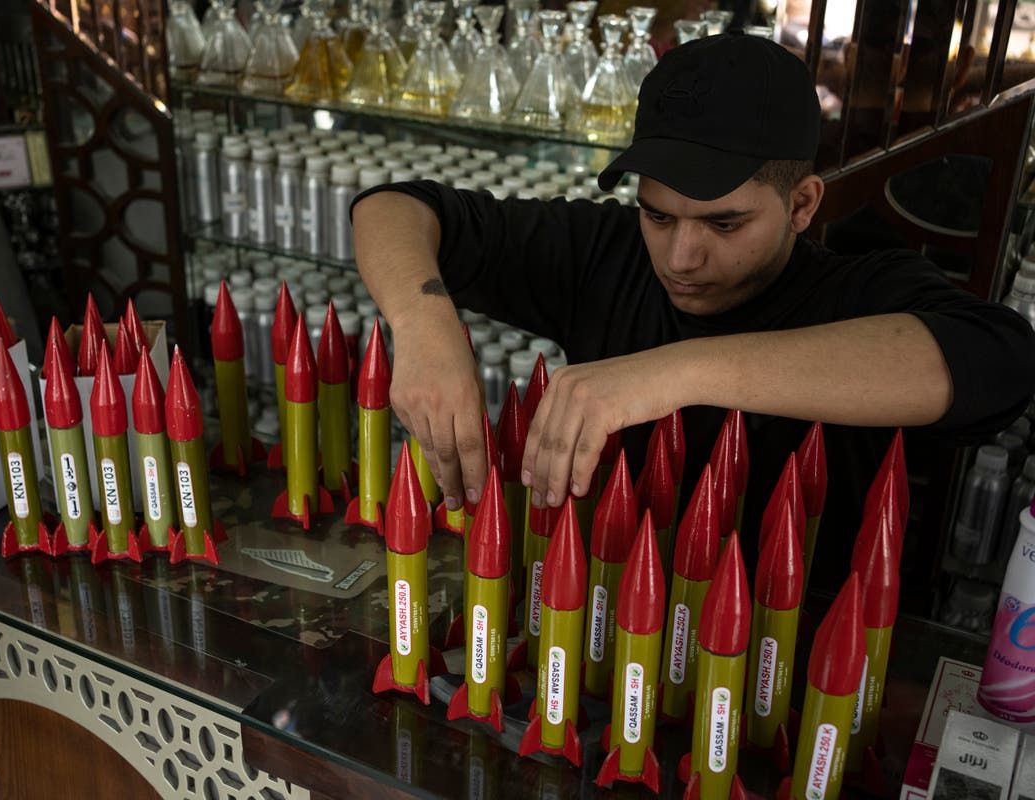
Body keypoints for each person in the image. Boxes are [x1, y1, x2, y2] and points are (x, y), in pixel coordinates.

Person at [349, 32, 1035, 584]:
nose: (680, 257)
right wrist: (425, 324)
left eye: (724, 225)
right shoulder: (604, 253)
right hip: (590, 635)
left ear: (802, 205)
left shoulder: (859, 291)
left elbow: (997, 361)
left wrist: (671, 374)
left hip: (778, 683)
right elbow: (394, 206)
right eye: (658, 215)